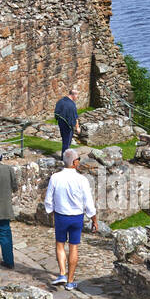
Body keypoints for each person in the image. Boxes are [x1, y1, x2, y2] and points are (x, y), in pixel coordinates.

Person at [44, 148, 97, 288]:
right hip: (77, 217)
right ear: (75, 162)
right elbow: (89, 202)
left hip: (61, 216)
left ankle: (62, 272)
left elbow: (48, 199)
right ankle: (70, 281)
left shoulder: (55, 177)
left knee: (60, 244)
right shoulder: (82, 179)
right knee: (74, 247)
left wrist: (50, 212)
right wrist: (94, 219)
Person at [53, 89, 80, 154]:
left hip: (61, 123)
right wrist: (77, 127)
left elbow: (57, 113)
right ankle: (64, 159)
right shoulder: (72, 105)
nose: (77, 97)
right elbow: (74, 117)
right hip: (67, 125)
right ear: (73, 95)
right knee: (67, 143)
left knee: (64, 141)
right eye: (77, 95)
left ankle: (65, 157)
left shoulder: (60, 101)